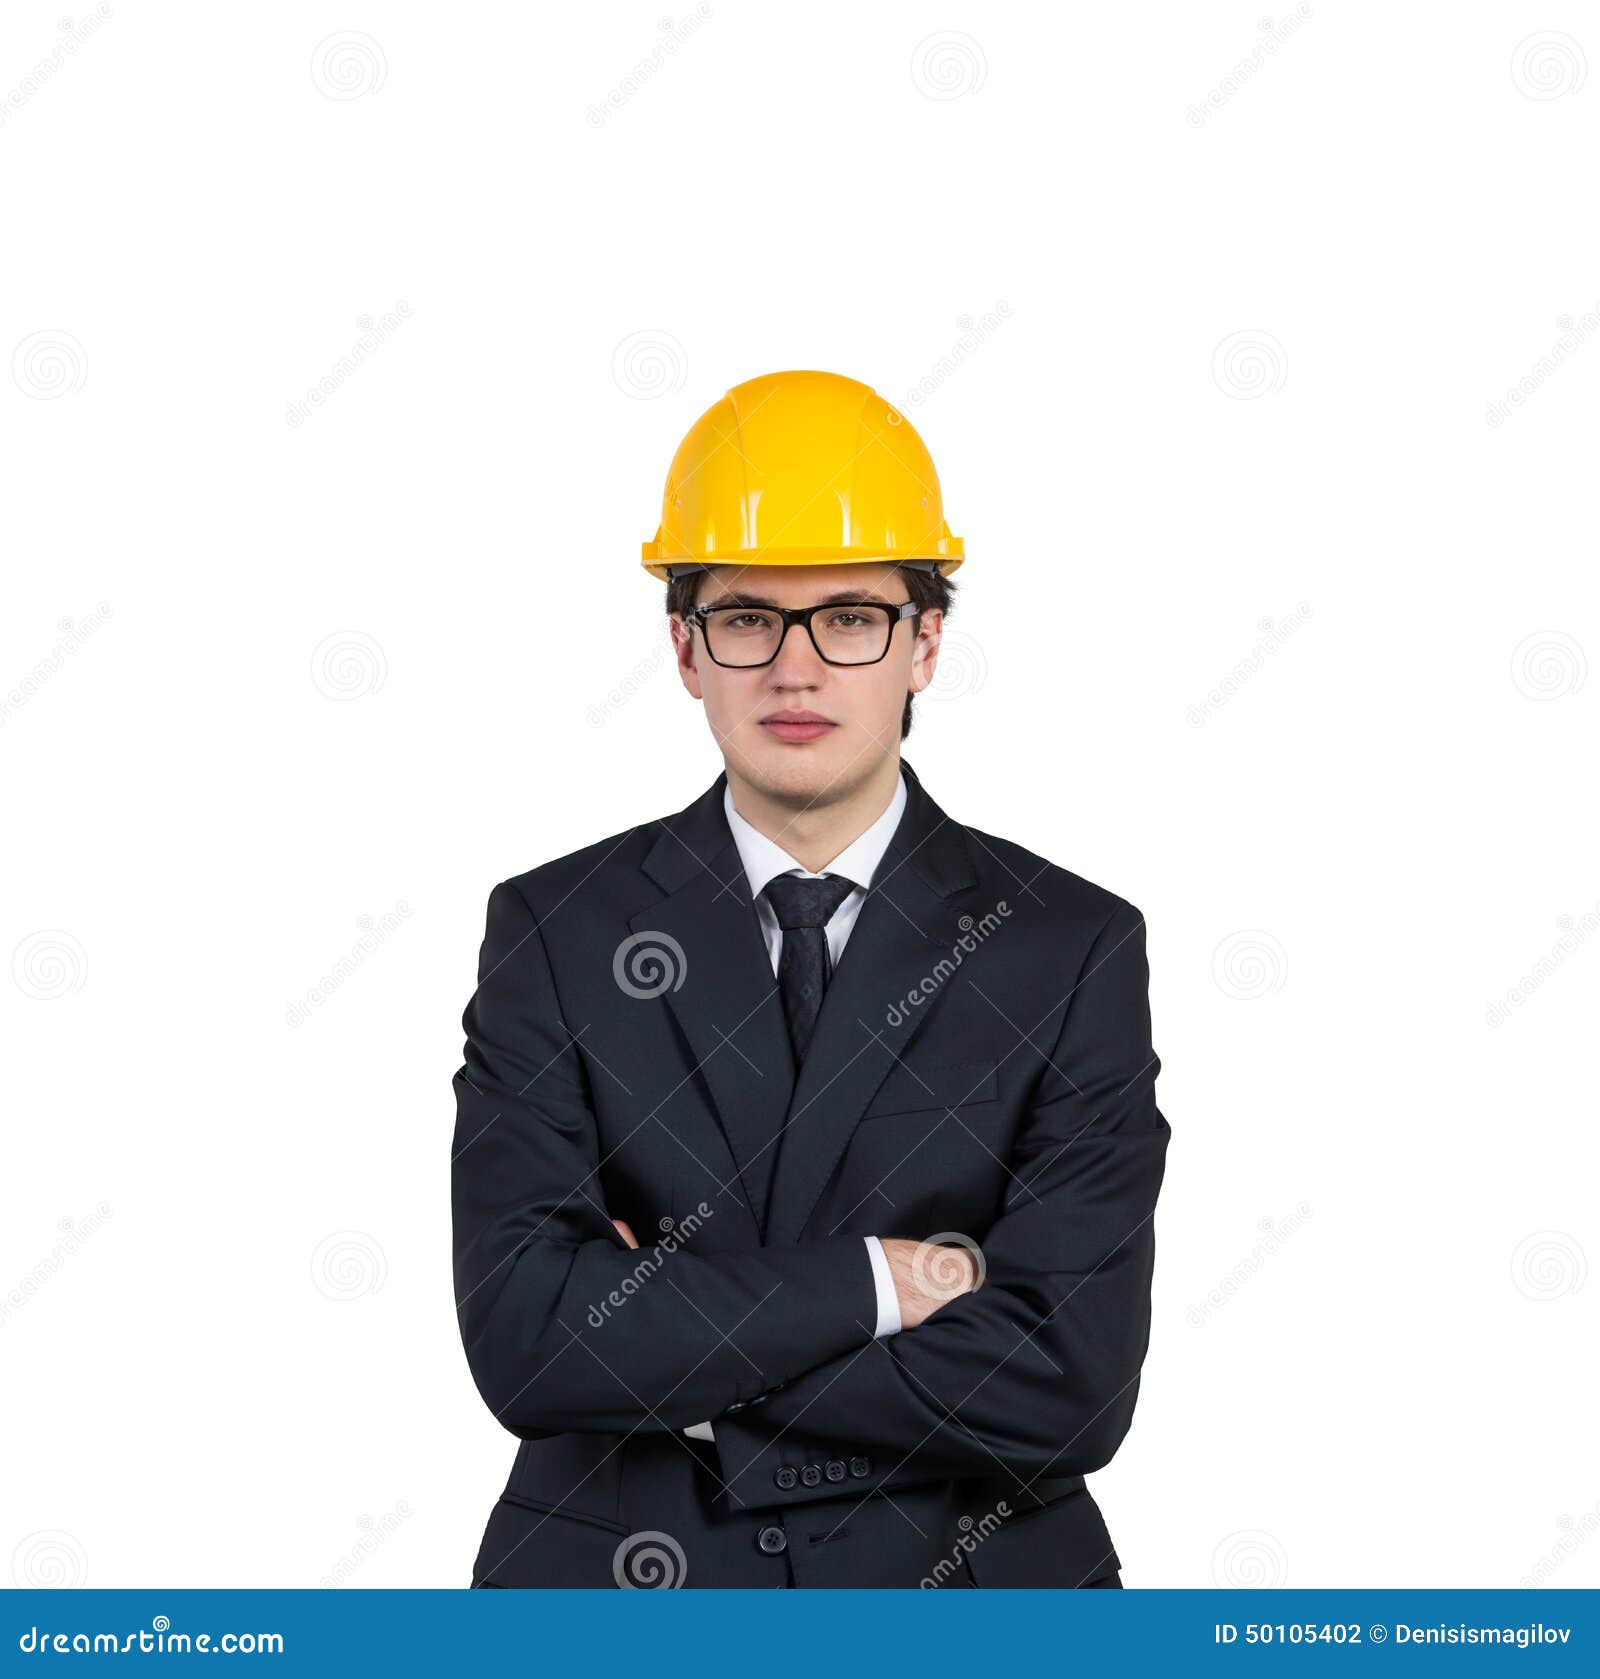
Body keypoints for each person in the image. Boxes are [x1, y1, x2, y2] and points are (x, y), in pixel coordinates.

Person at [451, 369, 1170, 1588]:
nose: (794, 668)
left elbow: (1067, 1375)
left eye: (848, 616)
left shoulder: (1067, 945)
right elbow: (528, 1340)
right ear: (683, 647)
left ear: (925, 642)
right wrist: (884, 1280)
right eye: (744, 617)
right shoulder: (557, 929)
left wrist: (678, 1365)